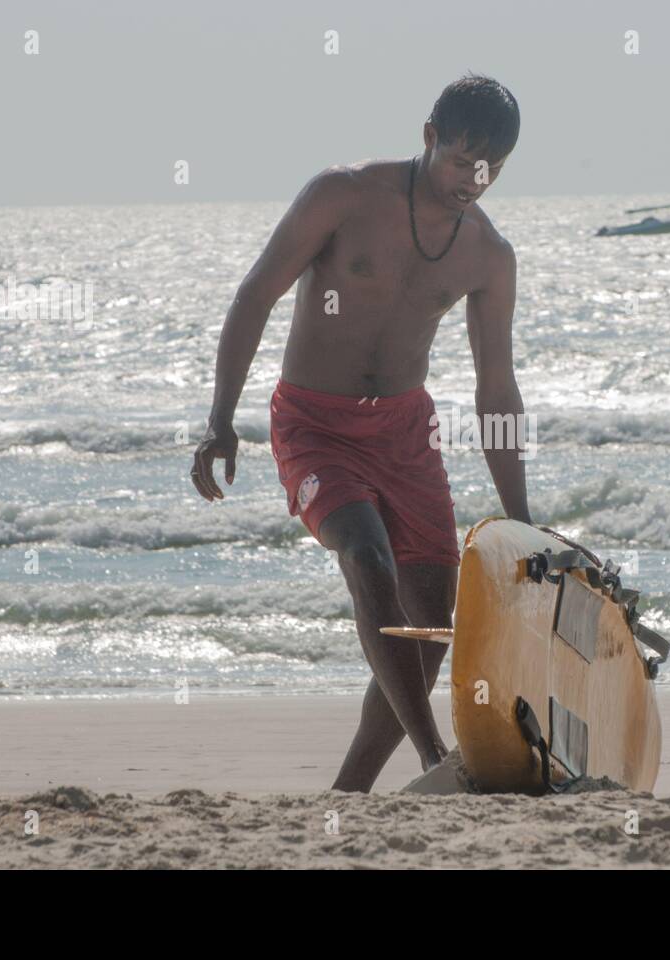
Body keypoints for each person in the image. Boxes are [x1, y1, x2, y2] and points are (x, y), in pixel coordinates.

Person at [190, 74, 530, 791]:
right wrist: (221, 418)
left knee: (432, 621)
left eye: (490, 168)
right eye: (461, 158)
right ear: (429, 134)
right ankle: (435, 756)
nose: (473, 180)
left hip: (405, 436)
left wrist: (521, 518)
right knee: (367, 557)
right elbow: (256, 293)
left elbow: (495, 389)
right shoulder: (342, 195)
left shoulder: (488, 256)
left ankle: (349, 792)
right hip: (315, 424)